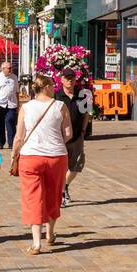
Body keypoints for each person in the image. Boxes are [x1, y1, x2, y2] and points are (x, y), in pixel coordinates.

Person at [11, 71, 72, 255]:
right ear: (46, 87)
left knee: (33, 198)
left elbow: (18, 137)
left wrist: (14, 155)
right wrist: (55, 141)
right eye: (53, 85)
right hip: (56, 156)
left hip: (31, 157)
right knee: (53, 195)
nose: (55, 88)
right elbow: (68, 134)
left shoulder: (26, 107)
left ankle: (36, 243)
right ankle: (50, 233)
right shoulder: (60, 106)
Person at [55, 68, 91, 205]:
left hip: (77, 136)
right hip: (60, 137)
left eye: (72, 78)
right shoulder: (57, 96)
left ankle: (64, 186)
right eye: (67, 78)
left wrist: (83, 131)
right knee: (61, 166)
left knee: (77, 165)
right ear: (62, 80)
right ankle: (61, 191)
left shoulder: (81, 95)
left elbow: (86, 114)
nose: (70, 80)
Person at [0, 60, 20, 150]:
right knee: (0, 124)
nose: (10, 70)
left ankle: (11, 143)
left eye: (11, 68)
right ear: (3, 69)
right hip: (0, 104)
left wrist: (18, 105)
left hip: (11, 104)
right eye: (8, 68)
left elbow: (17, 92)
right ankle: (0, 142)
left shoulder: (14, 77)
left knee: (10, 121)